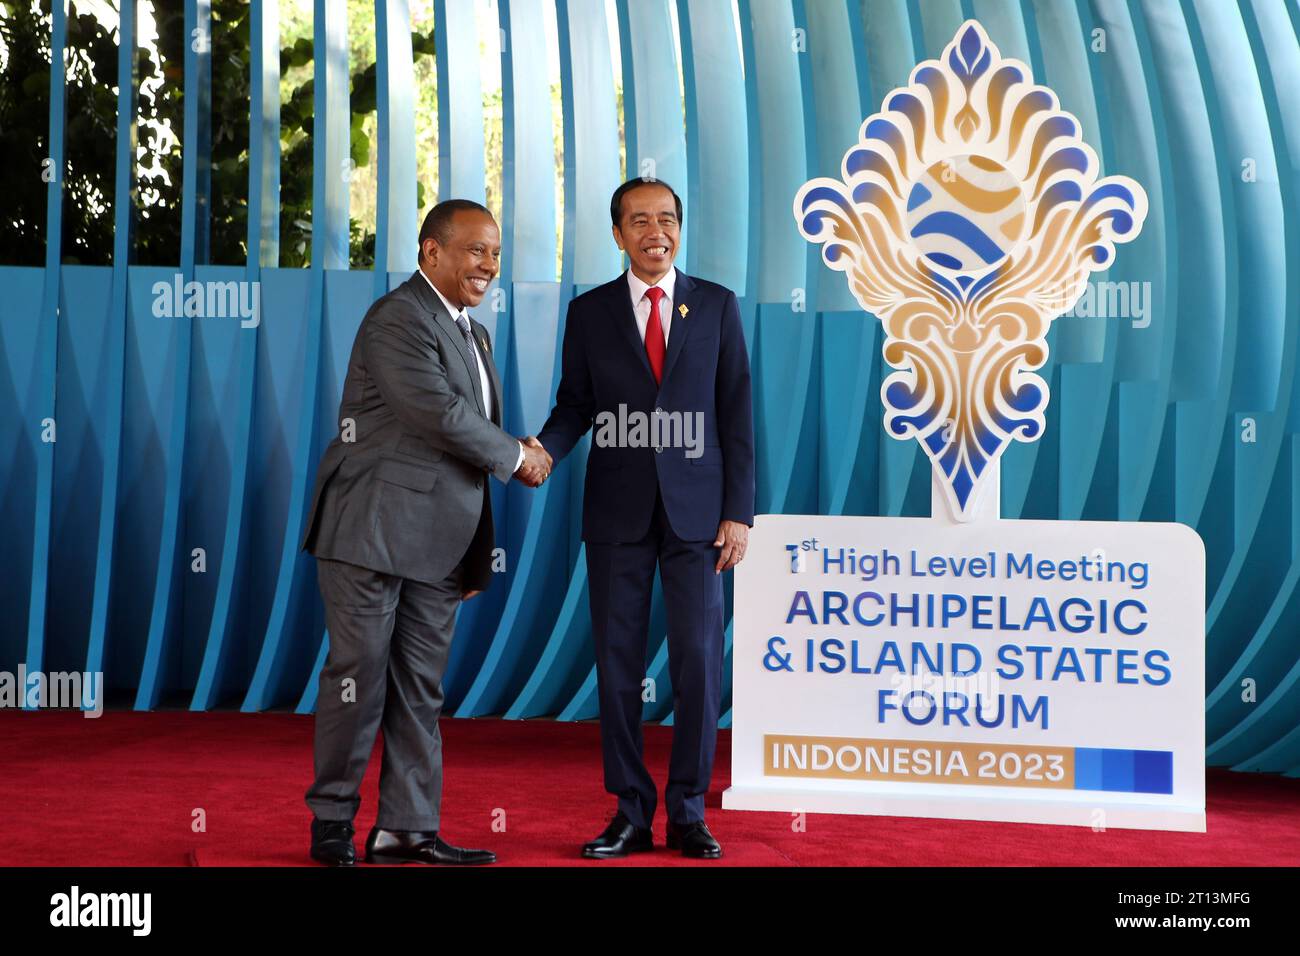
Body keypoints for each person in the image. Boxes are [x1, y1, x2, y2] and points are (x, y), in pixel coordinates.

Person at [299, 198, 552, 866]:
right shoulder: (397, 319)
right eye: (475, 250)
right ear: (430, 251)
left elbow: (460, 442)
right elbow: (437, 414)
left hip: (438, 546)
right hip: (371, 533)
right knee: (358, 679)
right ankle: (332, 824)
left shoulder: (476, 334)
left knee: (420, 688)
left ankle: (406, 827)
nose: (489, 264)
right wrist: (517, 455)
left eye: (495, 253)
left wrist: (475, 537)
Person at [536, 177, 755, 859]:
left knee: (696, 661)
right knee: (618, 665)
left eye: (666, 219)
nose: (654, 231)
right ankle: (630, 811)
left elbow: (736, 413)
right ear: (617, 233)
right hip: (618, 511)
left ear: (679, 230)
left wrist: (738, 512)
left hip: (698, 515)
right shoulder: (590, 312)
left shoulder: (716, 306)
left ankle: (688, 810)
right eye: (639, 221)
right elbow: (576, 405)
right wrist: (542, 450)